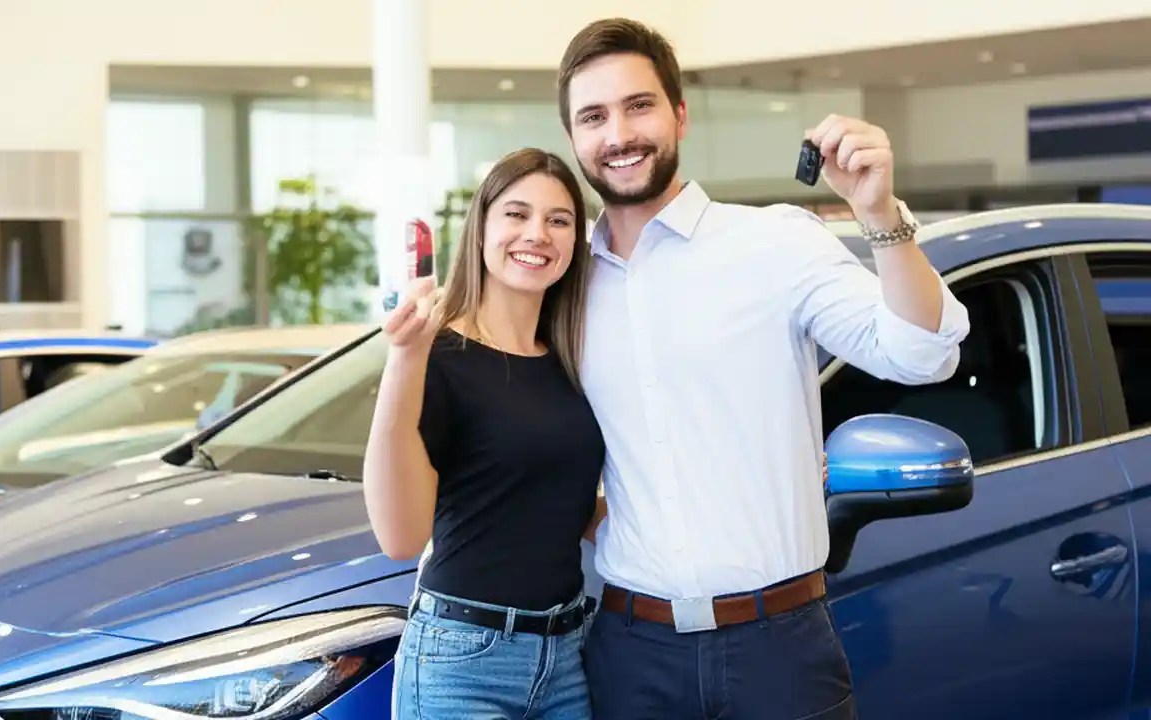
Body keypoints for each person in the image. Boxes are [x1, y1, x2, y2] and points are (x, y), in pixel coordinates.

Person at [555, 18, 971, 720]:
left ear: (679, 114)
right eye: (593, 117)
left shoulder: (774, 242)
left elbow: (922, 353)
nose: (618, 134)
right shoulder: (566, 286)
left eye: (638, 105)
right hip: (629, 652)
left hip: (778, 648)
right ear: (573, 137)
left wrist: (878, 214)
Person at [363, 147, 604, 719]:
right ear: (482, 229)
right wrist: (404, 359)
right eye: (517, 214)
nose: (537, 233)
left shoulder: (573, 359)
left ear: (576, 242)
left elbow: (559, 503)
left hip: (567, 655)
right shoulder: (438, 353)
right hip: (461, 662)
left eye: (558, 220)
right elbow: (400, 538)